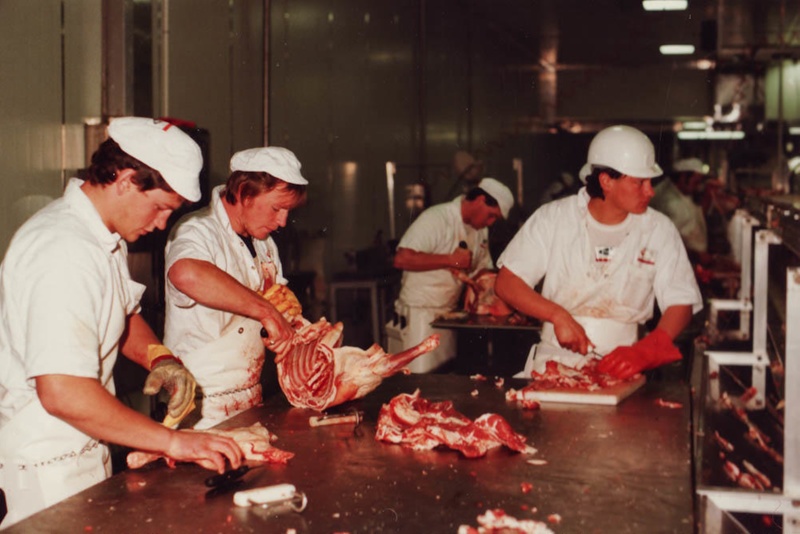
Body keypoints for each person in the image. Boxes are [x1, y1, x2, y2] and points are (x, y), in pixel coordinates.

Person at [0, 117, 243, 529]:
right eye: (162, 207)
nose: (163, 224)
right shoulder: (64, 248)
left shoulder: (101, 239)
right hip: (45, 468)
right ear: (126, 180)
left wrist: (161, 359)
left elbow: (121, 315)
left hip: (83, 451)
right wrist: (172, 441)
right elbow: (62, 392)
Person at [495, 125, 703, 379]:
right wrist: (557, 315)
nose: (650, 191)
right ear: (606, 181)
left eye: (650, 181)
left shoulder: (658, 229)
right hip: (553, 364)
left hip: (626, 364)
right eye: (640, 182)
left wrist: (646, 351)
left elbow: (681, 301)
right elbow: (507, 283)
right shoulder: (554, 218)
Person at [164, 147, 307, 429]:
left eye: (287, 211)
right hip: (199, 403)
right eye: (276, 208)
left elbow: (279, 309)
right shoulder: (196, 230)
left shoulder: (264, 242)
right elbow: (186, 273)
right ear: (244, 192)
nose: (282, 222)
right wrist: (266, 311)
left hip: (250, 392)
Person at [391, 177, 514, 373]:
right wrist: (451, 260)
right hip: (419, 316)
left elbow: (483, 270)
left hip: (447, 316)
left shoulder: (480, 231)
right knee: (418, 379)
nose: (490, 223)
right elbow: (402, 259)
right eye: (491, 216)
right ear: (481, 199)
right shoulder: (437, 218)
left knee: (442, 377)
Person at [650, 157, 709, 262]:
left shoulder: (682, 192)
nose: (698, 187)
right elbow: (668, 241)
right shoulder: (670, 201)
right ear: (683, 177)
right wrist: (695, 255)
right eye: (695, 182)